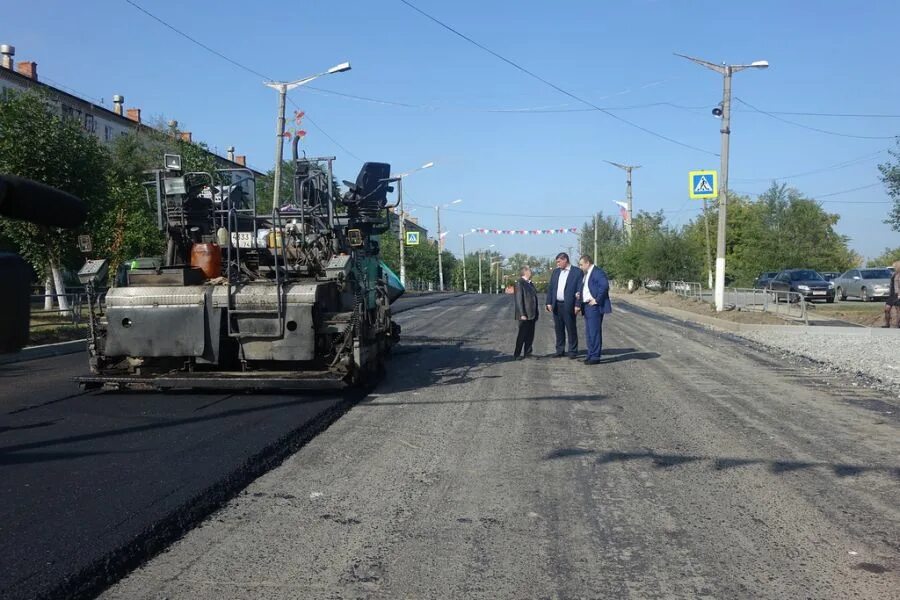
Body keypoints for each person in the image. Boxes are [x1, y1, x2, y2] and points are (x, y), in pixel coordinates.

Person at [545, 252, 583, 358]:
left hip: (569, 304)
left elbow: (579, 289)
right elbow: (551, 288)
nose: (557, 264)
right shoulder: (556, 272)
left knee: (571, 328)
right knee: (558, 328)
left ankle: (572, 351)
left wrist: (578, 304)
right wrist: (548, 302)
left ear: (565, 260)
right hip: (557, 304)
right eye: (557, 262)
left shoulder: (577, 272)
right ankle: (560, 350)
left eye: (559, 261)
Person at [577, 254, 612, 365]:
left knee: (594, 332)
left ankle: (595, 357)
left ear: (587, 263)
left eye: (581, 264)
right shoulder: (587, 274)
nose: (581, 267)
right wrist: (580, 294)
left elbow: (604, 286)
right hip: (587, 306)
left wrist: (597, 300)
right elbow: (588, 288)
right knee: (589, 333)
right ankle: (590, 354)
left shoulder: (597, 272)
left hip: (594, 307)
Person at [513, 266, 539, 358]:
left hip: (532, 313)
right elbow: (519, 299)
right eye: (530, 270)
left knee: (530, 335)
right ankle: (517, 354)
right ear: (525, 272)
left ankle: (528, 352)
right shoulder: (520, 283)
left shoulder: (530, 283)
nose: (531, 272)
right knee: (522, 335)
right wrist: (522, 314)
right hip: (524, 314)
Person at [884, 261, 900, 328]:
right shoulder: (894, 274)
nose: (893, 268)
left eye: (894, 267)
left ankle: (898, 325)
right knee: (886, 309)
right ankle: (887, 324)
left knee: (898, 310)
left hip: (897, 294)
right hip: (892, 294)